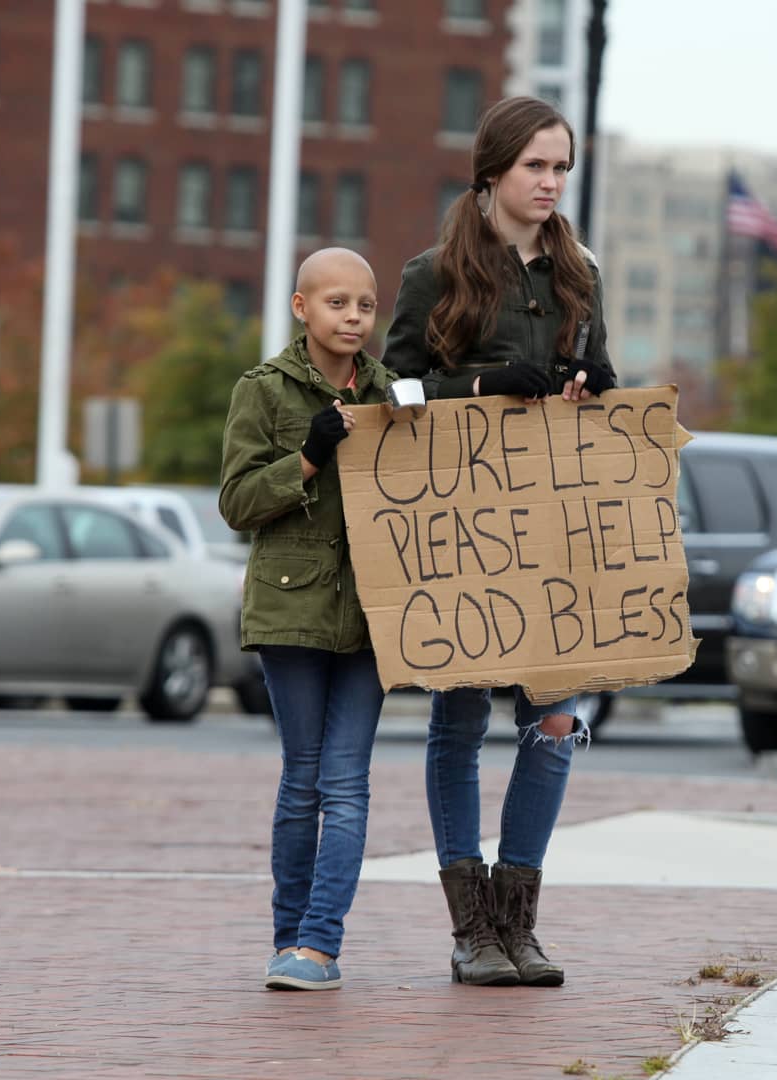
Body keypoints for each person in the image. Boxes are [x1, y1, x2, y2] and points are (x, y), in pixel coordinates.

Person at [382, 96, 616, 988]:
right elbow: (390, 398)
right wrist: (478, 389)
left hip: (556, 529)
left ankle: (521, 924)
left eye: (562, 167)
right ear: (492, 172)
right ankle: (471, 927)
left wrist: (595, 381)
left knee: (554, 719)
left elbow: (607, 380)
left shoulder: (580, 273)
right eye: (536, 167)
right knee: (461, 716)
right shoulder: (430, 274)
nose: (551, 183)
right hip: (463, 532)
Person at [219, 247, 395, 992]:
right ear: (301, 308)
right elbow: (236, 503)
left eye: (363, 304)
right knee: (302, 781)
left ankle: (320, 946)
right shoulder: (262, 391)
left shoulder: (394, 393)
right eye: (336, 303)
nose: (352, 317)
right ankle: (288, 936)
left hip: (374, 613)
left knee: (346, 782)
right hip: (290, 609)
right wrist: (310, 459)